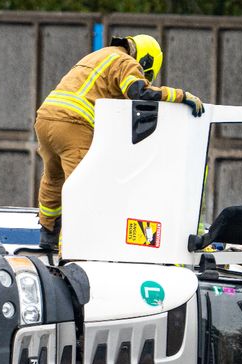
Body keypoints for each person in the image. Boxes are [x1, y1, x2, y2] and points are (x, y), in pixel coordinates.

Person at [34, 35, 206, 250]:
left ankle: (48, 235)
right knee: (82, 188)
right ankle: (71, 251)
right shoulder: (126, 62)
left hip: (45, 118)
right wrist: (181, 96)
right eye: (146, 73)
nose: (145, 76)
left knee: (53, 179)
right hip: (73, 124)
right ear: (146, 61)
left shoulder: (100, 55)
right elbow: (139, 92)